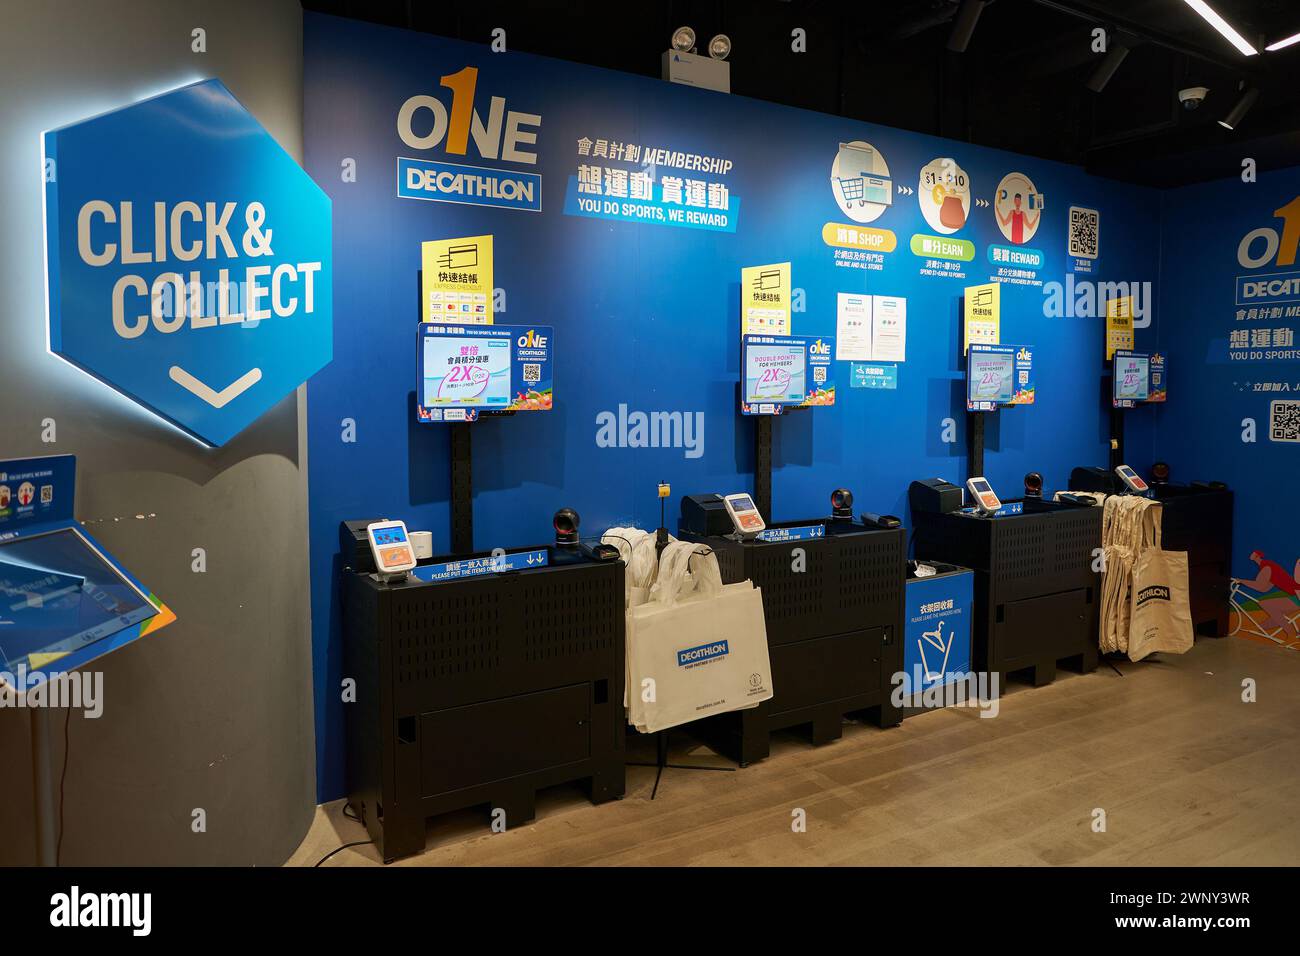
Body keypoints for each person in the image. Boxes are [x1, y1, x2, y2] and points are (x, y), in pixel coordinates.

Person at [1234, 550, 1300, 635]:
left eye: (1253, 553)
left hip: (1297, 595)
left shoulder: (1267, 566)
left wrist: (1242, 581)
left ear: (1257, 556)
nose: (1251, 555)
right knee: (1276, 617)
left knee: (1265, 604)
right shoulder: (1269, 567)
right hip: (1295, 595)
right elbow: (1264, 588)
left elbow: (1260, 586)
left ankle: (1291, 634)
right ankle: (1258, 629)